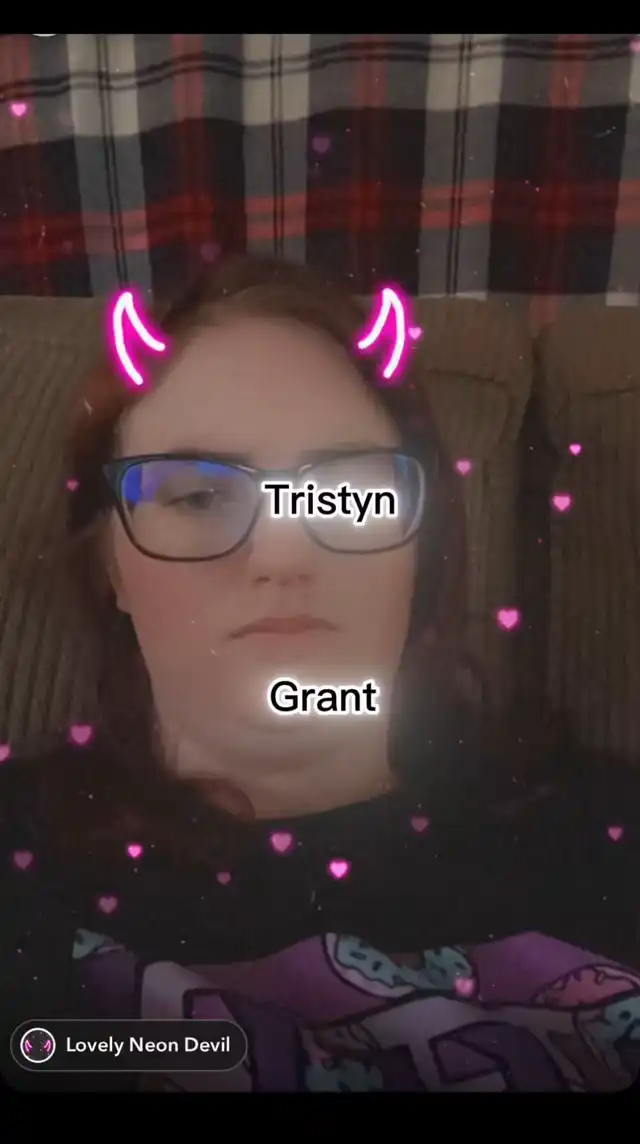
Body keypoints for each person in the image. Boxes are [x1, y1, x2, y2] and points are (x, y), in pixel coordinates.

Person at [1, 255, 639, 1093]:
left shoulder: (606, 834)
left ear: (421, 549)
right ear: (107, 565)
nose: (283, 552)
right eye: (198, 498)